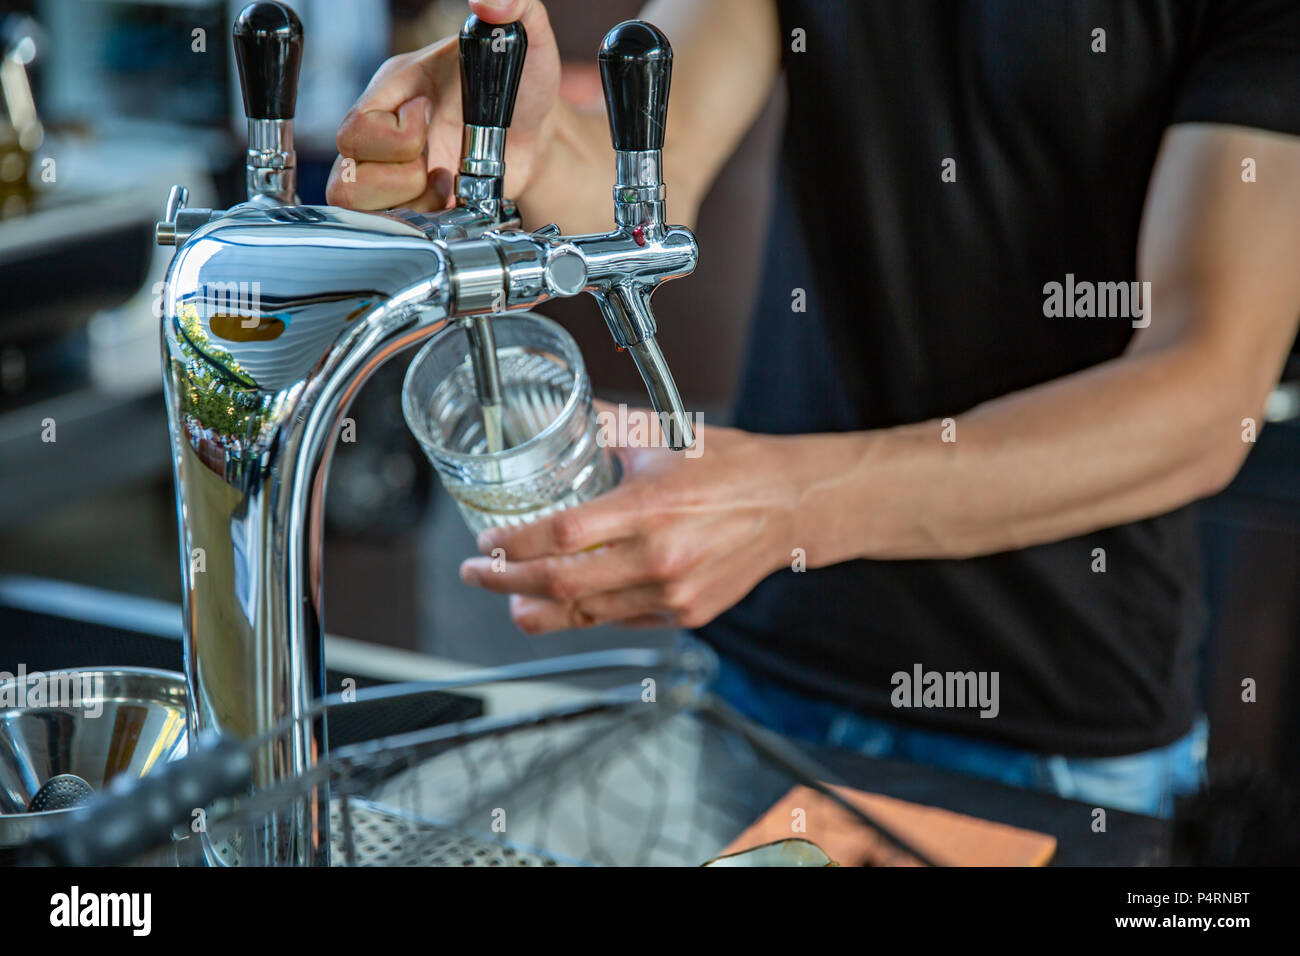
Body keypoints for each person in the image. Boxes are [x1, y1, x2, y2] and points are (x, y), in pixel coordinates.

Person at [327, 0, 1300, 817]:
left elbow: (1207, 392)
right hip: (759, 682)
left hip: (1057, 729)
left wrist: (790, 506)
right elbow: (638, 173)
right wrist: (521, 145)